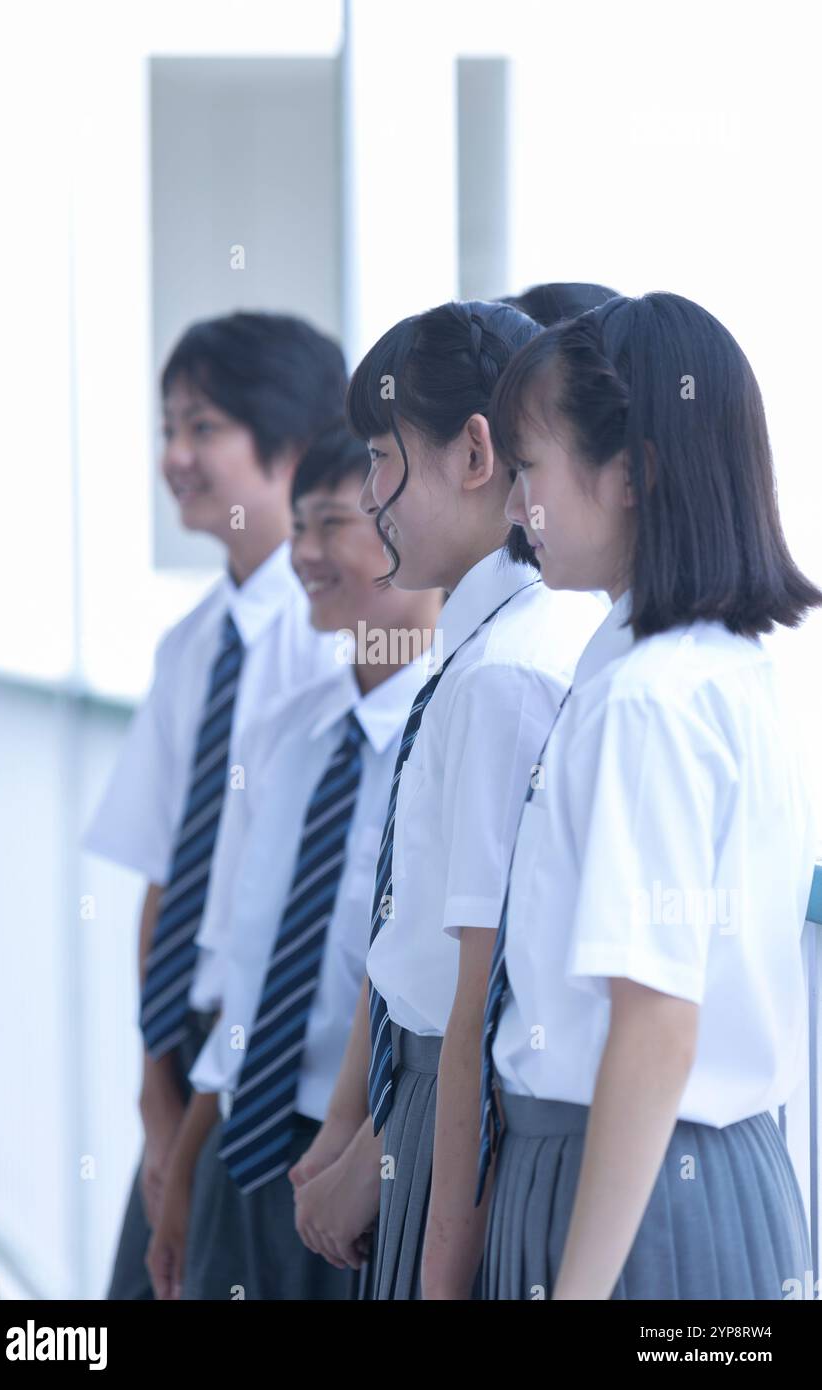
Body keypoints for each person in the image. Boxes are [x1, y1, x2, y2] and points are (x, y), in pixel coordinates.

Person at [478, 291, 820, 1299]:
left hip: (631, 1195)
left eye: (527, 469)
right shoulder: (714, 667)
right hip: (699, 1183)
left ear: (631, 475)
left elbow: (655, 1023)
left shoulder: (645, 700)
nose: (512, 507)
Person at [291, 300, 606, 1298]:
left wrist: (429, 1266)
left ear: (475, 453)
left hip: (448, 1102)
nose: (371, 495)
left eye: (382, 458)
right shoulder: (493, 650)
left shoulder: (504, 674)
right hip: (421, 1091)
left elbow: (475, 1004)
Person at [144, 419, 443, 1299]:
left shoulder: (447, 735)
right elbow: (243, 976)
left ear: (402, 526)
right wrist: (187, 1165)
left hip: (358, 1168)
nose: (303, 553)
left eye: (330, 525)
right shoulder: (286, 733)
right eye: (299, 524)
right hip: (245, 1146)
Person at [83, 311, 346, 1299]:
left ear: (286, 446)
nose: (173, 457)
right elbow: (164, 873)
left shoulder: (340, 648)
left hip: (287, 1073)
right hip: (195, 1055)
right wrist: (155, 1097)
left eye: (201, 428)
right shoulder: (192, 643)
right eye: (167, 429)